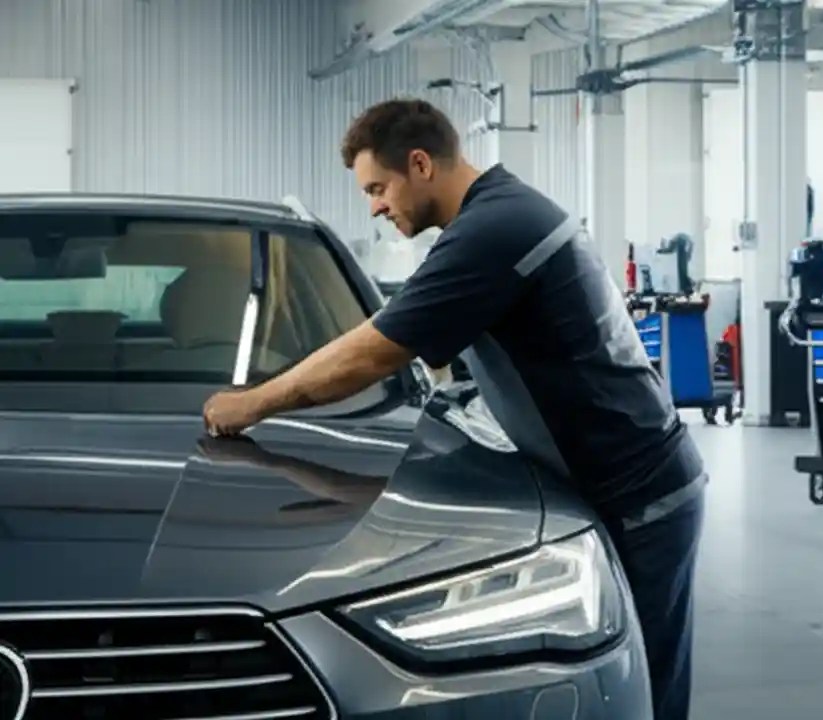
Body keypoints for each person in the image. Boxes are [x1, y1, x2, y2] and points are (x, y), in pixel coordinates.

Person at [201, 98, 707, 719]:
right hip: (620, 479)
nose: (376, 206)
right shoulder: (499, 216)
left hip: (641, 494)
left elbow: (369, 355)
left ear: (420, 164)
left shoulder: (495, 230)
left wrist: (250, 405)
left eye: (378, 188)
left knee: (644, 687)